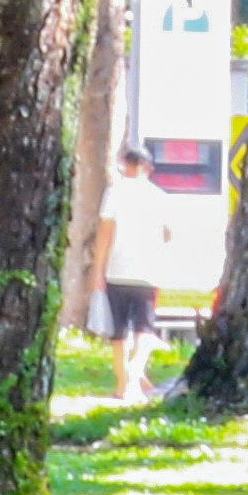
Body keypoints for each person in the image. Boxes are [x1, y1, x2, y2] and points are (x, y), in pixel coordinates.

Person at [94, 139, 183, 407]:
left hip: (116, 272)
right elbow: (170, 234)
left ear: (126, 166)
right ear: (147, 167)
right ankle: (135, 373)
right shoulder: (160, 197)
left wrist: (97, 272)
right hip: (148, 273)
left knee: (118, 332)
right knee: (145, 330)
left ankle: (123, 385)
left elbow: (104, 234)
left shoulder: (114, 193)